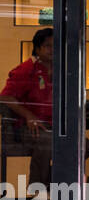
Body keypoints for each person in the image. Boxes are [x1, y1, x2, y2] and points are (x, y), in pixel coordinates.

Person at [0, 27, 55, 191]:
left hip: (52, 127)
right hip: (24, 129)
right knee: (47, 140)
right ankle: (38, 188)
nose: (53, 50)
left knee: (84, 145)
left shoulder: (61, 70)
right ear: (37, 48)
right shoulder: (26, 70)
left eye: (56, 45)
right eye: (48, 46)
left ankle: (57, 184)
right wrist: (29, 116)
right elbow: (4, 97)